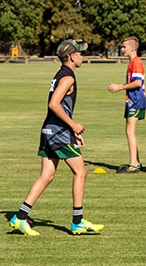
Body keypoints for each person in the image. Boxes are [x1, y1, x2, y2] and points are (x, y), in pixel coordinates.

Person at [8, 39, 103, 236]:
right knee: (81, 172)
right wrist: (73, 126)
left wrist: (72, 132)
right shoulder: (68, 78)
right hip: (58, 133)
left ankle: (20, 217)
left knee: (47, 175)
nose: (82, 56)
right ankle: (77, 221)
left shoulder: (61, 74)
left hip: (51, 131)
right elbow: (54, 104)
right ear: (71, 56)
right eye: (80, 53)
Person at [106, 35, 146, 172]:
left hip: (136, 101)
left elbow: (137, 83)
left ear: (132, 48)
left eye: (124, 47)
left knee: (130, 132)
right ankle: (136, 161)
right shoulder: (132, 63)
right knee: (130, 131)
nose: (122, 49)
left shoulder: (136, 63)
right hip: (132, 100)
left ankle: (133, 164)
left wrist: (120, 87)